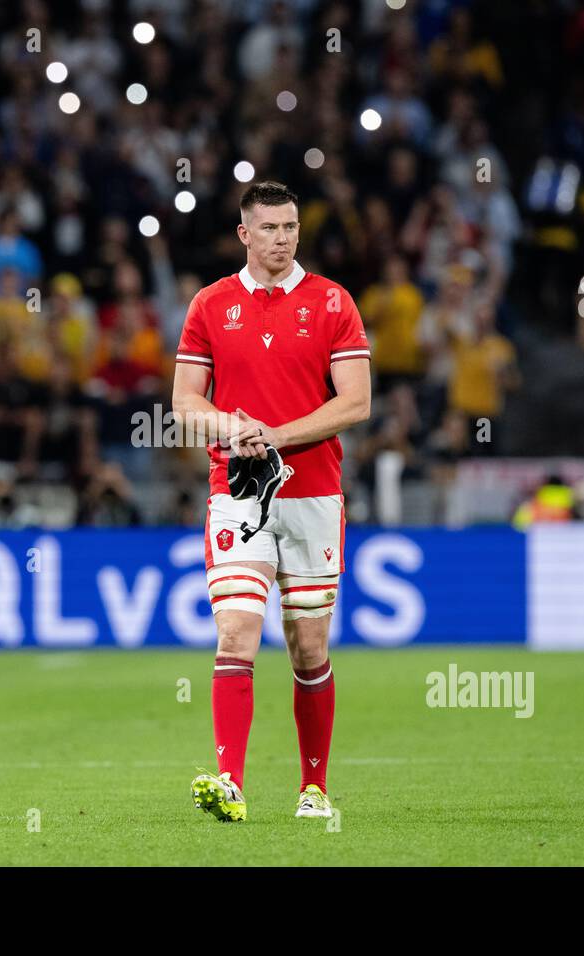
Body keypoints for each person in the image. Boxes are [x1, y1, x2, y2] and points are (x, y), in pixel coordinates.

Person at [172, 181, 371, 822]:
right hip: (238, 493)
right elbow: (183, 408)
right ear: (244, 234)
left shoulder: (334, 301)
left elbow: (356, 403)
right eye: (270, 228)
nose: (282, 238)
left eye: (290, 227)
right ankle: (229, 782)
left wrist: (276, 434)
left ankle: (314, 786)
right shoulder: (209, 304)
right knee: (236, 632)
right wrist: (237, 429)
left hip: (313, 494)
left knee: (308, 646)